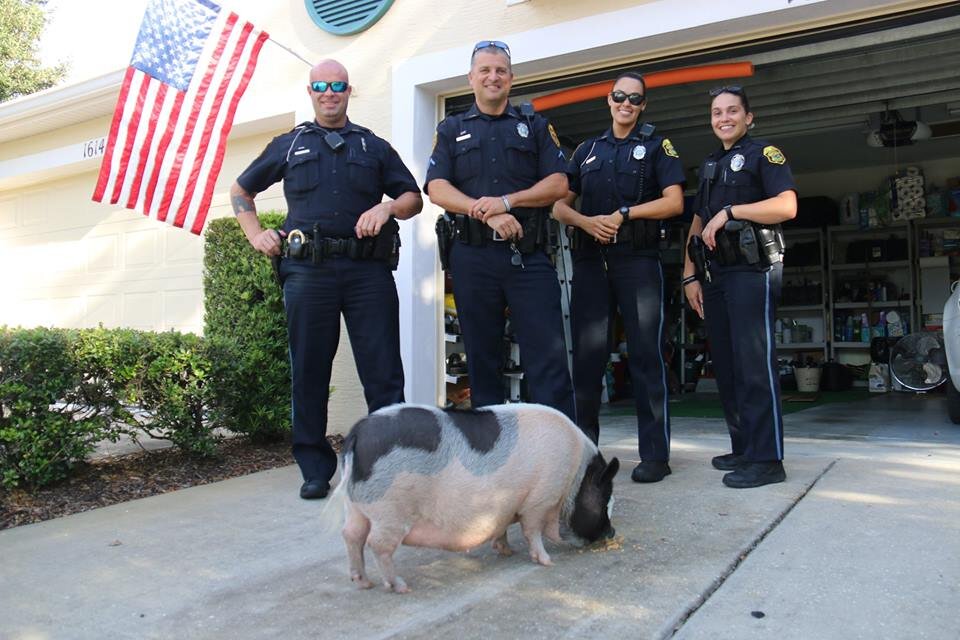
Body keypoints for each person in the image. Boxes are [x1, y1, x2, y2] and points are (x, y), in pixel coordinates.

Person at [230, 59, 422, 499]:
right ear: (311, 91)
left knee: (384, 371)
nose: (329, 92)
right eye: (321, 85)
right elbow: (242, 191)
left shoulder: (373, 146)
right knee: (309, 370)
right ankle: (315, 467)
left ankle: (387, 463)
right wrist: (255, 233)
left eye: (337, 85)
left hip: (366, 272)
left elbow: (412, 196)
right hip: (307, 271)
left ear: (349, 90)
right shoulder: (290, 143)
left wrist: (388, 208)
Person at [425, 40, 574, 419]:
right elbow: (436, 188)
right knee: (481, 357)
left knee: (547, 357)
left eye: (501, 71)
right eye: (486, 70)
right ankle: (491, 458)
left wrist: (508, 202)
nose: (493, 77)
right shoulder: (451, 128)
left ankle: (555, 451)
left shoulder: (535, 126)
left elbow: (559, 184)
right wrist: (486, 212)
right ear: (471, 77)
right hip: (472, 257)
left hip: (527, 255)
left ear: (511, 78)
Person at [553, 72, 685, 483]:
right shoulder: (587, 151)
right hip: (592, 262)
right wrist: (586, 223)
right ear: (608, 100)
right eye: (619, 96)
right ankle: (585, 456)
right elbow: (558, 205)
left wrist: (626, 213)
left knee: (646, 355)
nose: (626, 103)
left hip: (638, 261)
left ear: (643, 105)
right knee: (588, 360)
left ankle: (655, 456)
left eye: (634, 98)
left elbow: (674, 202)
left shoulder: (656, 146)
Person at [683, 85, 797, 489]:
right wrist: (689, 275)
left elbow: (786, 206)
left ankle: (768, 460)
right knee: (728, 367)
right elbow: (697, 222)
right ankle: (744, 448)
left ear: (749, 117)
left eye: (732, 111)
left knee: (754, 364)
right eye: (717, 112)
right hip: (715, 275)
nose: (724, 118)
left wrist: (733, 211)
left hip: (752, 270)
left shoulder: (763, 154)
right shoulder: (710, 164)